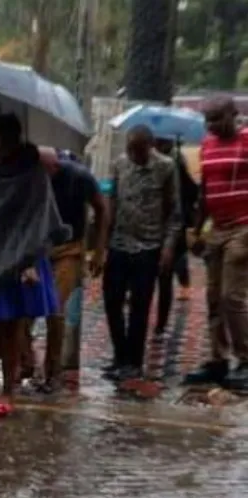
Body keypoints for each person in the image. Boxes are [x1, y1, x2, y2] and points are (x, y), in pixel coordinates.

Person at [0, 114, 65, 417]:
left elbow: (39, 216)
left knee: (10, 328)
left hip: (19, 259)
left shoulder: (32, 171)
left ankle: (8, 389)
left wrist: (28, 260)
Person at [22, 148, 110, 391]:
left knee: (54, 308)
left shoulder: (79, 177)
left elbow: (102, 208)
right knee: (22, 310)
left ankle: (53, 372)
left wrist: (99, 250)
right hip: (37, 250)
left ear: (54, 167)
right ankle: (26, 360)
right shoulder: (29, 180)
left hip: (69, 249)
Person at [103, 125, 179, 382]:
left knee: (140, 305)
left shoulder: (165, 167)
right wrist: (102, 243)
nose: (133, 155)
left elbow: (174, 211)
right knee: (112, 301)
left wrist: (168, 246)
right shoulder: (119, 164)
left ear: (150, 146)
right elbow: (112, 201)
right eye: (130, 150)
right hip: (119, 243)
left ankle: (134, 362)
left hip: (148, 245)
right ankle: (120, 356)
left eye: (138, 150)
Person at [186, 96, 248, 390]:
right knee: (212, 298)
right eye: (207, 120)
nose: (211, 125)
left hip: (243, 229)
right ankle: (218, 360)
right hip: (217, 229)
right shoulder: (207, 146)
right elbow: (205, 192)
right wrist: (196, 230)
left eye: (216, 118)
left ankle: (245, 360)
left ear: (233, 115)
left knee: (230, 297)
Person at [153, 137, 199, 335]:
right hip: (154, 225)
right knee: (159, 274)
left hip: (173, 226)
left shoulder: (177, 161)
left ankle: (161, 323)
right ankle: (158, 322)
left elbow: (191, 191)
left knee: (166, 274)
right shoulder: (160, 160)